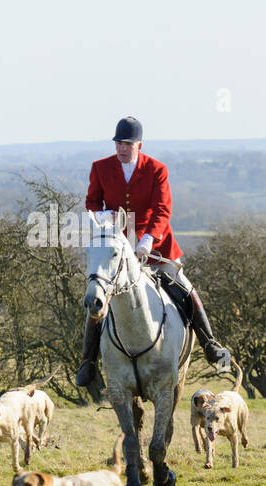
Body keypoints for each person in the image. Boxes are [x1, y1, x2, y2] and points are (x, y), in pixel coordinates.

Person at [77, 116, 231, 387]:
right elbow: (92, 203)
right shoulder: (100, 168)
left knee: (184, 288)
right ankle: (88, 361)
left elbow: (162, 209)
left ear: (139, 145)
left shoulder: (156, 169)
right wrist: (104, 217)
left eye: (127, 144)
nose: (122, 149)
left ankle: (210, 345)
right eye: (118, 143)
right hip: (117, 250)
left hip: (157, 246)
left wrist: (148, 239)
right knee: (97, 297)